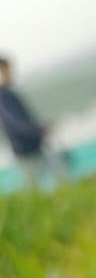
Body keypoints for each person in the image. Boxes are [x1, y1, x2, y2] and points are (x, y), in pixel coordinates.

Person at [0, 56, 66, 186]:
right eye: (7, 70)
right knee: (53, 175)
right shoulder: (4, 96)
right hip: (25, 147)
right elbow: (16, 123)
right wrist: (41, 130)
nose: (11, 74)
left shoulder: (8, 94)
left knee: (42, 180)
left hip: (29, 146)